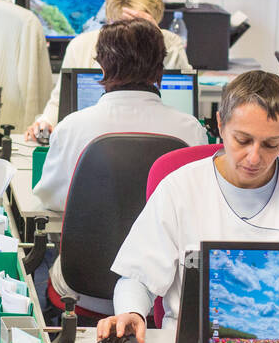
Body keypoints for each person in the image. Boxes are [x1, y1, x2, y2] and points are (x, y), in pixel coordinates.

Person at [95, 70, 279, 343]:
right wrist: (131, 312)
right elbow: (138, 277)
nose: (254, 157)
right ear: (220, 124)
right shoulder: (180, 188)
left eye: (271, 144)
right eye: (242, 140)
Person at [33, 19, 209, 314]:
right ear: (160, 67)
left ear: (101, 66)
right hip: (160, 296)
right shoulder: (191, 131)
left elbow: (53, 200)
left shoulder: (73, 127)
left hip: (83, 292)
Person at [26, 0, 191, 140]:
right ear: (109, 21)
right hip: (92, 136)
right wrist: (45, 122)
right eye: (121, 25)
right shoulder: (81, 45)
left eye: (139, 26)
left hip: (155, 134)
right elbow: (59, 101)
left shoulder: (171, 44)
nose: (129, 34)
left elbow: (187, 103)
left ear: (156, 20)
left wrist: (159, 43)